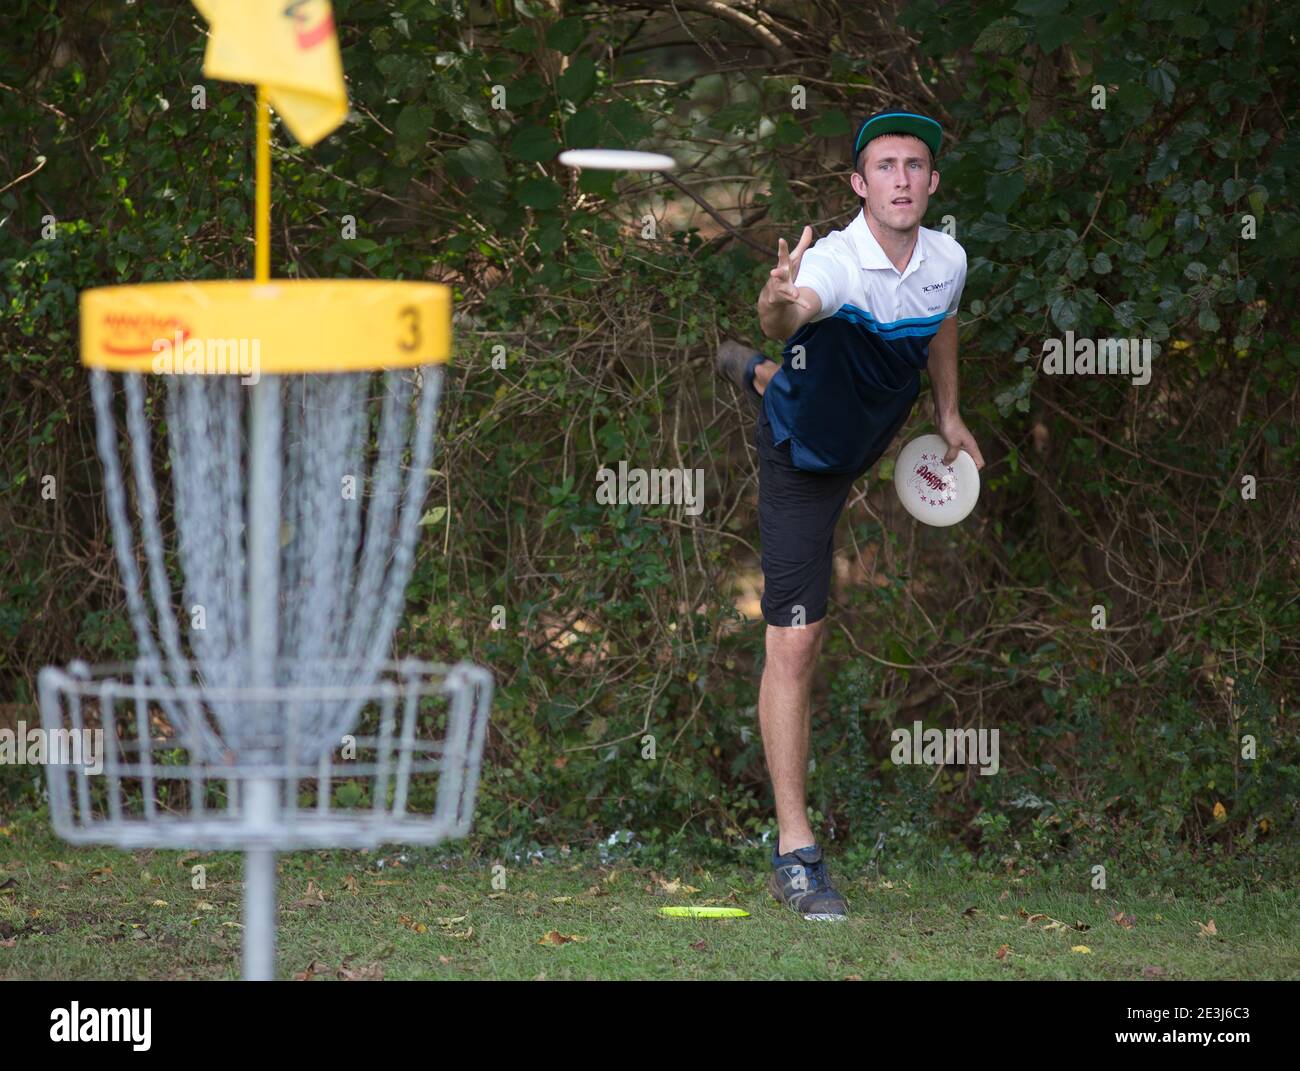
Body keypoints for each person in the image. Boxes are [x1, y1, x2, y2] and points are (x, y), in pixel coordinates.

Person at [716, 111, 985, 920]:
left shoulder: (948, 259)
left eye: (914, 165)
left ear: (931, 182)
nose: (901, 178)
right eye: (884, 166)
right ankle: (795, 853)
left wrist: (948, 413)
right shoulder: (835, 262)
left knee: (816, 384)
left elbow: (941, 320)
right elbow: (799, 305)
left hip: (876, 425)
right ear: (859, 185)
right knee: (796, 639)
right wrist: (775, 307)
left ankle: (763, 374)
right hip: (803, 456)